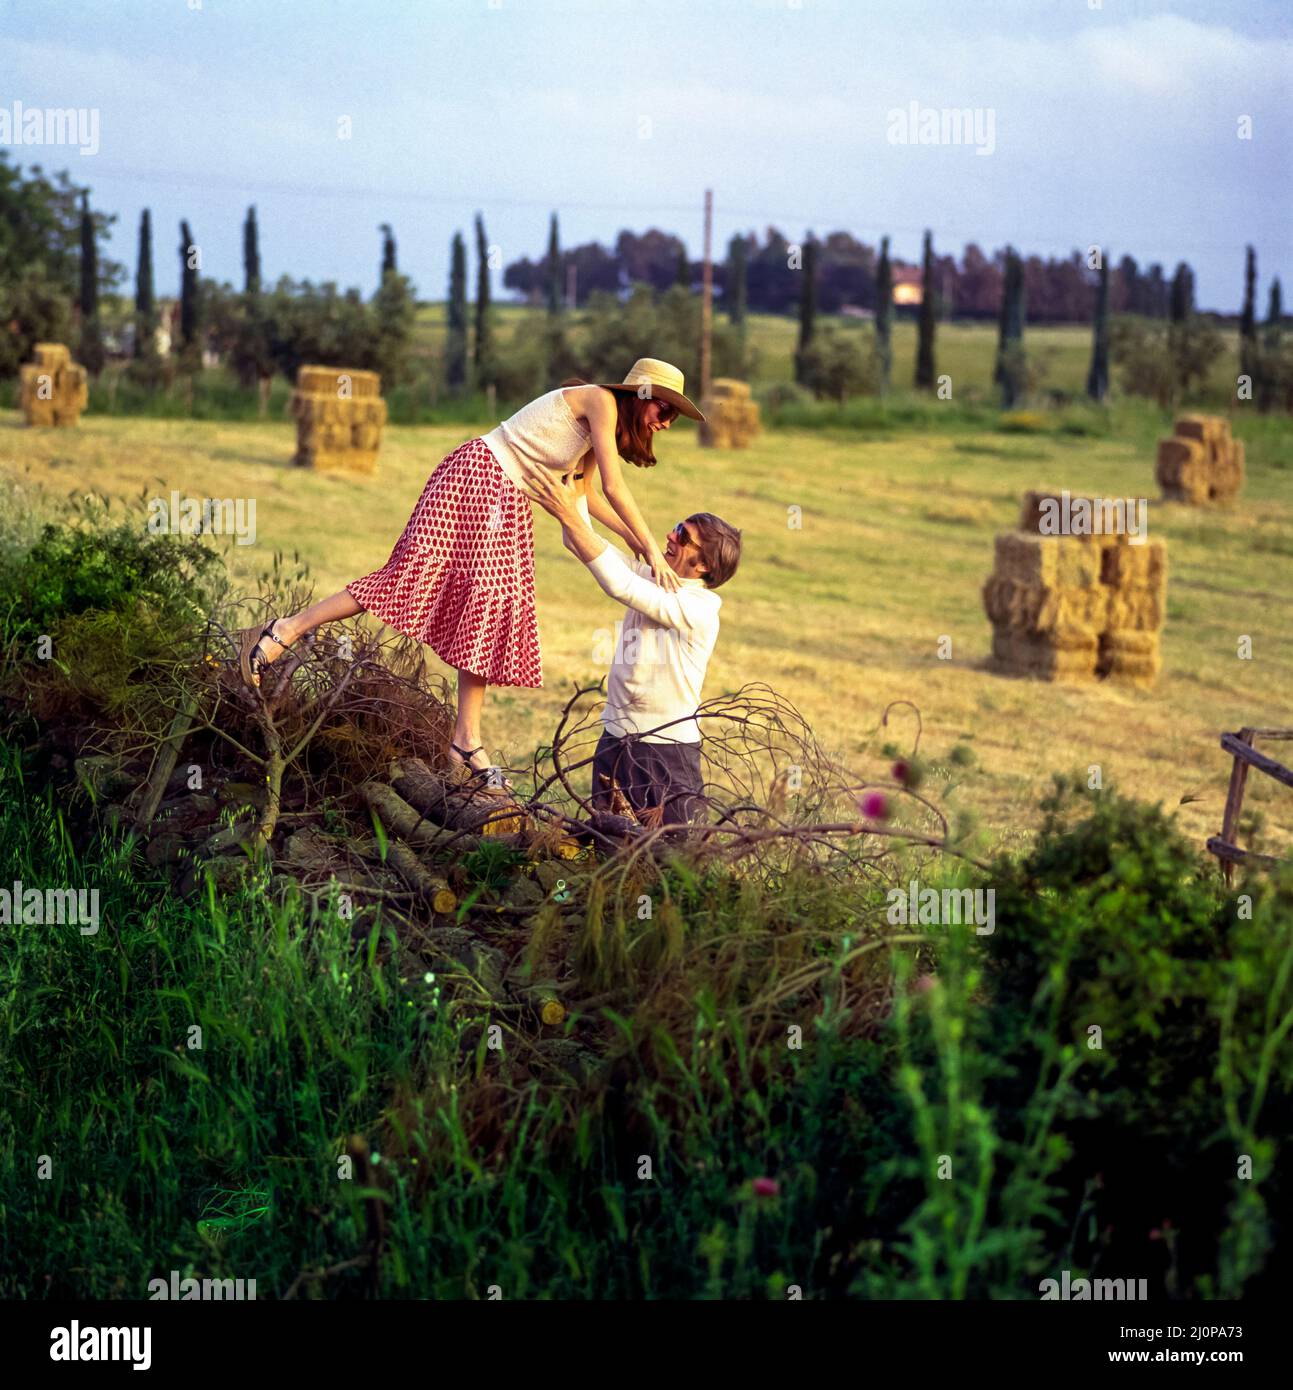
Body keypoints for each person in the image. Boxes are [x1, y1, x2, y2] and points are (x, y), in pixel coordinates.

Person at [238, 358, 704, 793]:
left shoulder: (593, 431)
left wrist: (634, 544)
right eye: (664, 409)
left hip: (506, 498)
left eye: (673, 418)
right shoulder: (600, 400)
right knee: (407, 577)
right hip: (479, 476)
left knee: (486, 608)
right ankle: (285, 629)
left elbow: (590, 502)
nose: (665, 422)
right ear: (640, 394)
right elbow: (613, 486)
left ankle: (465, 738)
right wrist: (650, 550)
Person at [518, 457, 742, 829]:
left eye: (683, 537)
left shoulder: (699, 607)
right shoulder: (656, 577)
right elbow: (579, 542)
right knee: (608, 847)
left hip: (664, 752)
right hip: (615, 739)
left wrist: (567, 510)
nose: (670, 537)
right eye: (676, 528)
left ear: (703, 565)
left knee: (672, 858)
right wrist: (577, 470)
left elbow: (618, 585)